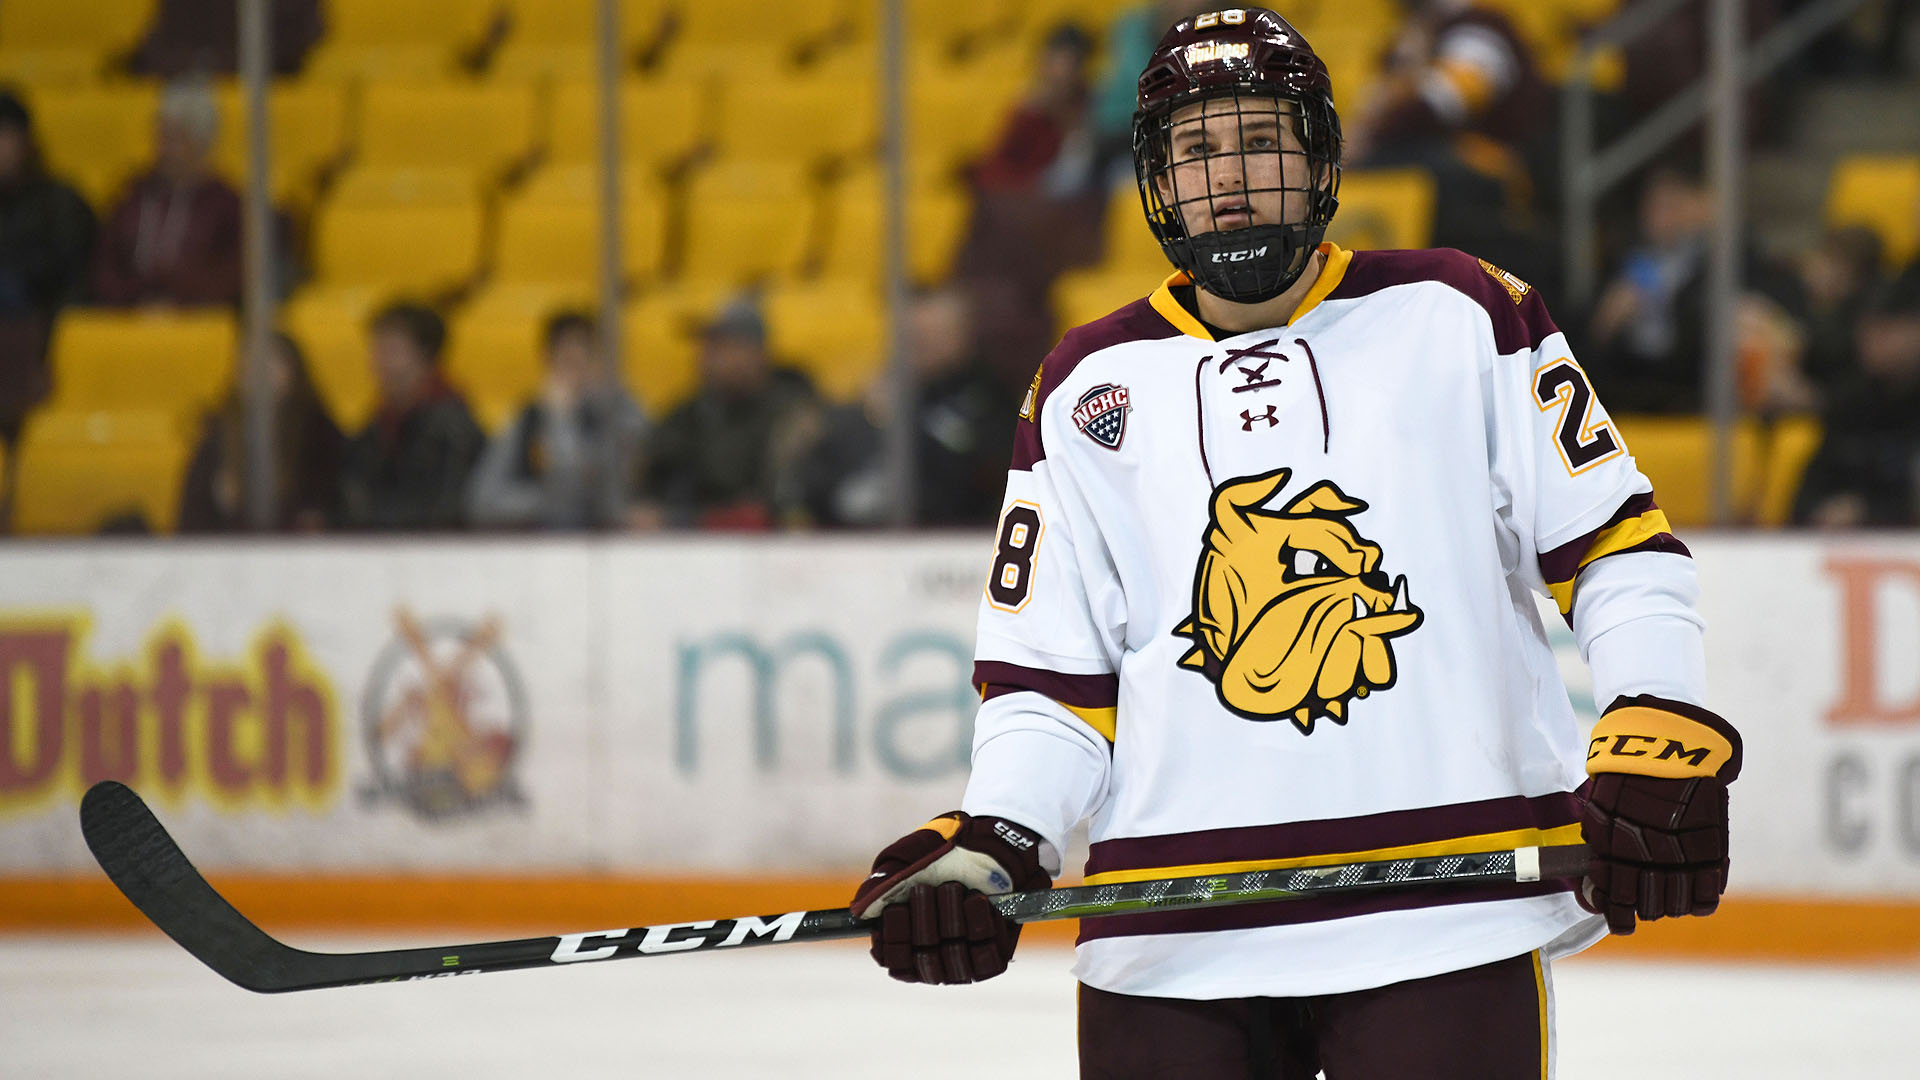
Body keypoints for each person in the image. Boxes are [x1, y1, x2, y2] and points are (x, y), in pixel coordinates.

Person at [849, 11, 1740, 1079]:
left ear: (1320, 158)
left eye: (1261, 142)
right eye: (1196, 150)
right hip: (1168, 944)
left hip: (1445, 919)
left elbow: (1618, 551)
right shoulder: (1084, 386)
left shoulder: (1461, 313)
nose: (1230, 178)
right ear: (1155, 180)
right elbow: (1049, 687)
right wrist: (1000, 835)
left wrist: (1653, 710)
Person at [799, 285, 1015, 526]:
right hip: (858, 538)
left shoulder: (988, 397)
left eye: (929, 337)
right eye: (912, 338)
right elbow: (822, 474)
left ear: (961, 337)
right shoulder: (882, 396)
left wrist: (903, 420)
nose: (918, 348)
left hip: (955, 534)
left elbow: (976, 473)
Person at [635, 295, 819, 530]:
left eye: (722, 346)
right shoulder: (688, 413)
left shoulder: (791, 410)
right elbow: (654, 481)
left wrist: (681, 519)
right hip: (693, 549)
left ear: (755, 353)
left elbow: (767, 506)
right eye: (707, 347)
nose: (707, 357)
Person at [467, 310, 647, 530]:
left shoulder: (623, 414)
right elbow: (482, 502)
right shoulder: (531, 417)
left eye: (585, 359)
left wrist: (563, 421)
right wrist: (560, 417)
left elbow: (605, 496)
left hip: (617, 547)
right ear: (548, 362)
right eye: (567, 361)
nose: (575, 374)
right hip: (548, 547)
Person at [0, 89, 95, 504]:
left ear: (25, 140)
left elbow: (79, 282)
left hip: (35, 343)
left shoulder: (59, 203)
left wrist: (51, 345)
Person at [89, 78, 243, 308]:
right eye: (160, 136)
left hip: (198, 324)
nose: (162, 148)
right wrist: (132, 300)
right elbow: (104, 264)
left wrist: (178, 301)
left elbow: (235, 275)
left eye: (174, 139)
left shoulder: (228, 205)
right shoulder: (132, 192)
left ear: (202, 144)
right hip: (126, 317)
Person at [335, 302, 484, 530]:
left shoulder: (452, 428)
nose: (377, 360)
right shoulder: (377, 424)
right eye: (376, 348)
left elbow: (446, 509)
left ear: (424, 353)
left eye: (391, 349)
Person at [178, 330, 343, 532]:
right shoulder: (218, 439)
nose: (259, 375)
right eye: (249, 365)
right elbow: (191, 522)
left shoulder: (321, 437)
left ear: (293, 371)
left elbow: (329, 512)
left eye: (269, 364)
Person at [1793, 264, 1920, 527]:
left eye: (1885, 329)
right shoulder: (1850, 404)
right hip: (1847, 545)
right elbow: (1806, 496)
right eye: (1866, 330)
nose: (1872, 341)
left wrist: (1868, 511)